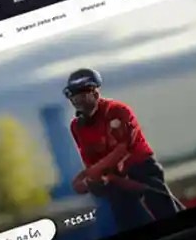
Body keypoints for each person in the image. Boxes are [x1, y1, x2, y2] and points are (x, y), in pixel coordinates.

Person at [64, 68, 182, 229]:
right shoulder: (77, 127)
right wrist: (93, 180)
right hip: (115, 183)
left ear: (95, 93)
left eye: (82, 94)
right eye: (73, 95)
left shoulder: (117, 110)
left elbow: (123, 148)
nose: (77, 100)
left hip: (141, 173)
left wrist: (93, 173)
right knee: (129, 224)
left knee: (165, 213)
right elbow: (88, 158)